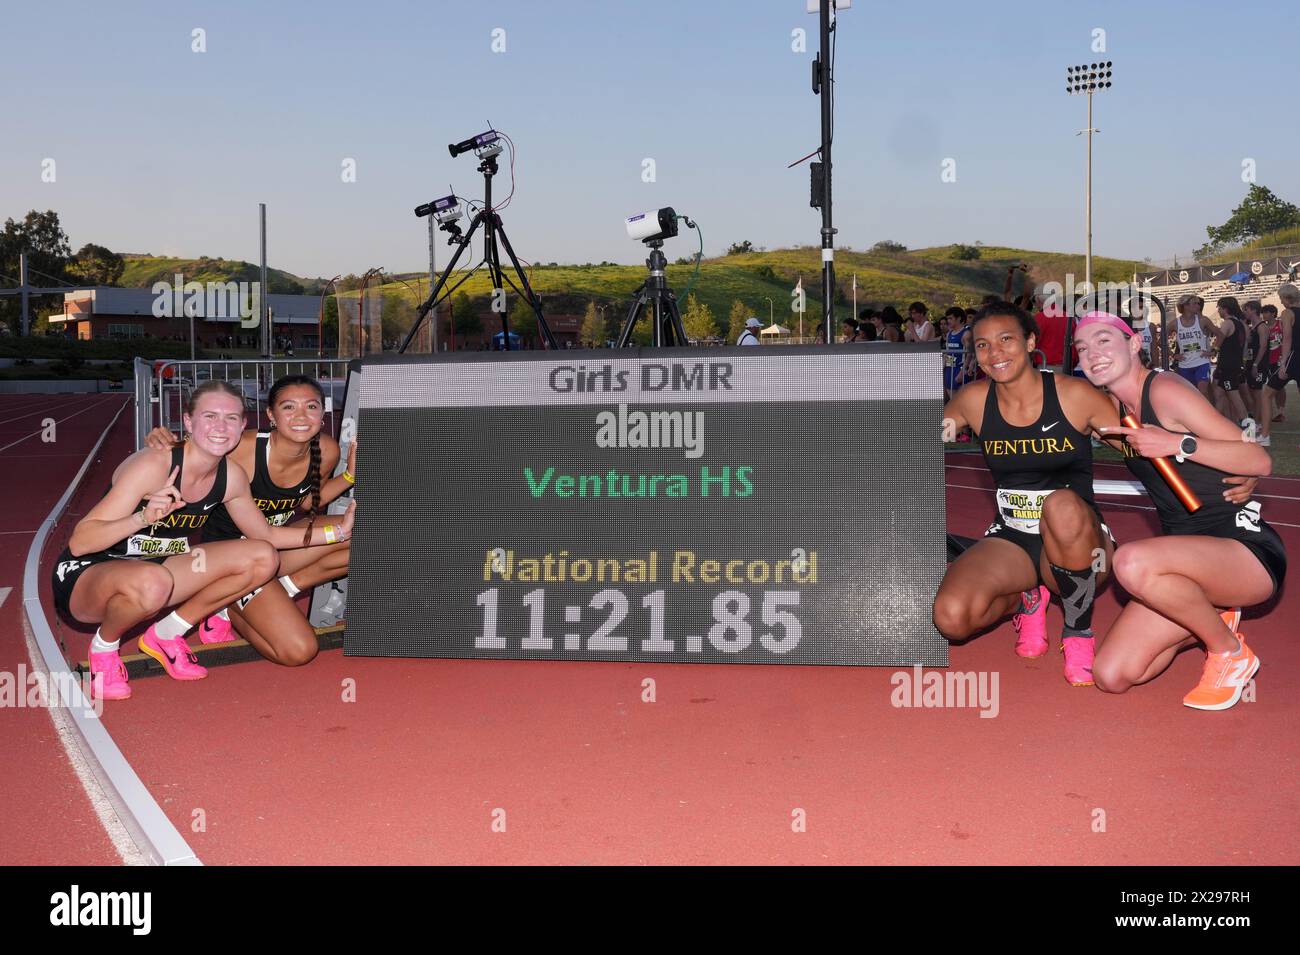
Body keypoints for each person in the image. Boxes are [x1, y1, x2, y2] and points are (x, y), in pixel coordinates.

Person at [51, 381, 355, 701]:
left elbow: (266, 536)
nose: (221, 427)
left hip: (164, 565)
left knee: (262, 555)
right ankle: (104, 649)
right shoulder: (154, 464)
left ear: (243, 424)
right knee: (151, 581)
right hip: (90, 572)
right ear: (187, 422)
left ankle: (166, 634)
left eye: (231, 418)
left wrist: (340, 530)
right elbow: (81, 543)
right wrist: (141, 519)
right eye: (209, 416)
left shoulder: (231, 476)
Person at [1075, 312, 1283, 710]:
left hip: (1243, 549)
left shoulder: (1165, 390)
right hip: (1189, 562)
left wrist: (1177, 443)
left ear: (1134, 344)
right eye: (1082, 348)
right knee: (1112, 675)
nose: (1092, 354)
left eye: (1103, 341)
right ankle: (1210, 612)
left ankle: (1229, 652)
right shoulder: (1110, 410)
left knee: (1131, 562)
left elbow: (1257, 459)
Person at [932, 302, 1121, 685]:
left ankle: (1078, 631)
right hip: (1013, 538)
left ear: (1030, 341)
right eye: (982, 345)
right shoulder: (972, 401)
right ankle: (1026, 598)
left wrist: (1216, 471)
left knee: (1062, 503)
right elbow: (922, 442)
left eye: (1006, 340)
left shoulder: (1075, 395)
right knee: (951, 618)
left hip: (1082, 545)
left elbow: (1140, 452)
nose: (995, 353)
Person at [144, 375, 354, 666]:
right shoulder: (242, 448)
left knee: (366, 535)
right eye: (289, 407)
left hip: (276, 546)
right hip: (233, 560)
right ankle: (228, 601)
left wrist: (348, 477)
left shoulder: (327, 449)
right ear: (271, 415)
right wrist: (161, 441)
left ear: (323, 412)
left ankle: (269, 593)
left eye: (312, 407)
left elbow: (308, 502)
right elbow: (191, 452)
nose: (301, 417)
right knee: (298, 651)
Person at [1209, 296, 1251, 426]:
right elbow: (1245, 345)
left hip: (1228, 364)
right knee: (1218, 391)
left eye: (1219, 308)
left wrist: (1211, 351)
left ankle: (1248, 425)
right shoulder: (1241, 324)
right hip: (1234, 363)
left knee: (1234, 395)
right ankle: (1215, 423)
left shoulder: (1227, 323)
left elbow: (1219, 341)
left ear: (1225, 309)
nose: (1219, 311)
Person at [1169, 294, 1220, 399]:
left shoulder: (1203, 320)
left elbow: (1220, 334)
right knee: (1190, 395)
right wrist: (1174, 355)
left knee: (1203, 391)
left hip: (1201, 361)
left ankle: (1207, 414)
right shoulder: (1175, 323)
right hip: (1185, 364)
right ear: (1186, 306)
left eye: (1198, 303)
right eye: (1195, 303)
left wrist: (1214, 351)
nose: (1198, 306)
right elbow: (1161, 341)